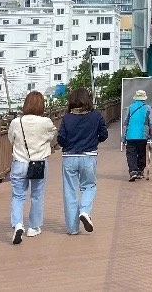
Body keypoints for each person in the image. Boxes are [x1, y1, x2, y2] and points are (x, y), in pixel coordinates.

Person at [57, 88, 108, 235]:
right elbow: (104, 134)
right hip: (88, 156)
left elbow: (60, 139)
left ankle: (72, 229)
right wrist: (93, 141)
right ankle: (85, 211)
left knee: (70, 191)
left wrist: (68, 144)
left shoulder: (67, 118)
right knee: (89, 186)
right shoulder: (96, 115)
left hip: (69, 157)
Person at [8, 91, 56, 244]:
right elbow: (52, 136)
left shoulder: (16, 122)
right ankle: (33, 227)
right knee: (36, 195)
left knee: (18, 196)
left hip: (19, 162)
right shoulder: (46, 122)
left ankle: (18, 224)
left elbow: (11, 139)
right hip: (39, 162)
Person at [123, 89, 152, 181]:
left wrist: (123, 137)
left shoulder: (130, 107)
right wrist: (151, 134)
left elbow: (125, 122)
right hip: (142, 134)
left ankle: (133, 171)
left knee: (131, 153)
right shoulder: (148, 108)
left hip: (130, 134)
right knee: (141, 152)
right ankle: (140, 171)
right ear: (144, 98)